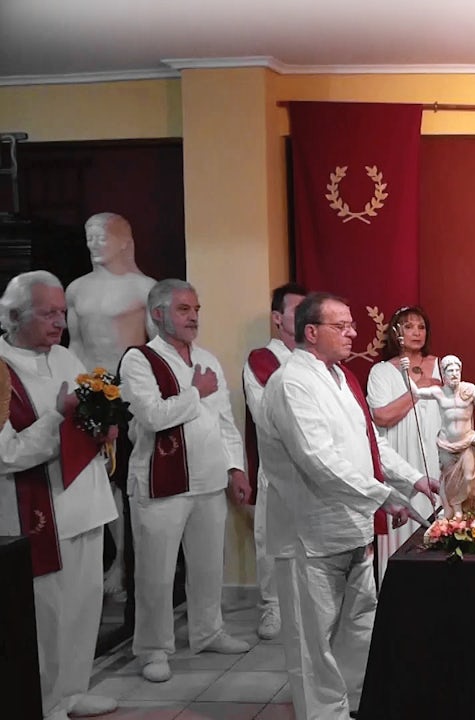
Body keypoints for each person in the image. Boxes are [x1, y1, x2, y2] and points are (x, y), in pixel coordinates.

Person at [256, 292, 436, 719]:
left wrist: (411, 478)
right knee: (312, 642)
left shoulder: (341, 377)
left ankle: (351, 705)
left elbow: (368, 447)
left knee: (359, 628)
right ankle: (322, 714)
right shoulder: (291, 382)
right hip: (310, 535)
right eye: (343, 326)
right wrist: (383, 496)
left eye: (353, 324)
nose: (354, 332)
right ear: (311, 332)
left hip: (352, 529)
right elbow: (317, 460)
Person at [118, 279, 253, 683]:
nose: (194, 316)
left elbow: (225, 420)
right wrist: (195, 392)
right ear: (158, 314)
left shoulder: (207, 357)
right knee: (156, 572)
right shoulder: (139, 360)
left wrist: (237, 467)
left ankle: (208, 631)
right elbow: (152, 416)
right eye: (183, 309)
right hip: (160, 485)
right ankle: (153, 649)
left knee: (209, 565)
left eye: (196, 308)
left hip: (209, 479)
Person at [0, 271, 119, 719]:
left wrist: (104, 429)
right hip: (35, 510)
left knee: (84, 607)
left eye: (61, 313)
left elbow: (88, 416)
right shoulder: (0, 368)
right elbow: (5, 453)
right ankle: (45, 703)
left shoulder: (68, 358)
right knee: (45, 615)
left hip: (84, 502)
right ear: (13, 316)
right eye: (48, 313)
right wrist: (56, 417)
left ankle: (72, 691)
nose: (60, 323)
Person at [65, 212, 156, 601]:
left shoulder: (143, 288)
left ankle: (132, 563)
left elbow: (154, 349)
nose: (93, 242)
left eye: (102, 235)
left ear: (123, 240)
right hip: (91, 393)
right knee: (101, 482)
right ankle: (115, 559)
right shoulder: (77, 290)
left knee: (133, 479)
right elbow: (74, 344)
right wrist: (75, 389)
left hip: (132, 394)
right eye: (88, 236)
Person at [241, 282, 306, 641]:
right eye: (298, 311)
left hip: (314, 469)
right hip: (279, 466)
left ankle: (302, 604)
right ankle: (271, 607)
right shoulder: (262, 360)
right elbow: (265, 415)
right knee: (272, 540)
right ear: (277, 317)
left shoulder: (314, 360)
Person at [367, 305, 441, 581]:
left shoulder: (443, 365)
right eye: (409, 326)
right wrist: (419, 390)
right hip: (399, 462)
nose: (416, 332)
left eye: (421, 327)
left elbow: (454, 411)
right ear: (396, 332)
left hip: (436, 461)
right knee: (402, 541)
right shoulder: (382, 372)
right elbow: (383, 416)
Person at [416, 354, 475, 518]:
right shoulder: (439, 393)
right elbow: (415, 392)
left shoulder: (469, 390)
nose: (454, 373)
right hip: (446, 444)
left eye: (457, 370)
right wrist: (404, 370)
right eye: (450, 370)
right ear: (443, 374)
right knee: (450, 480)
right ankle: (456, 510)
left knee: (470, 476)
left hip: (467, 443)